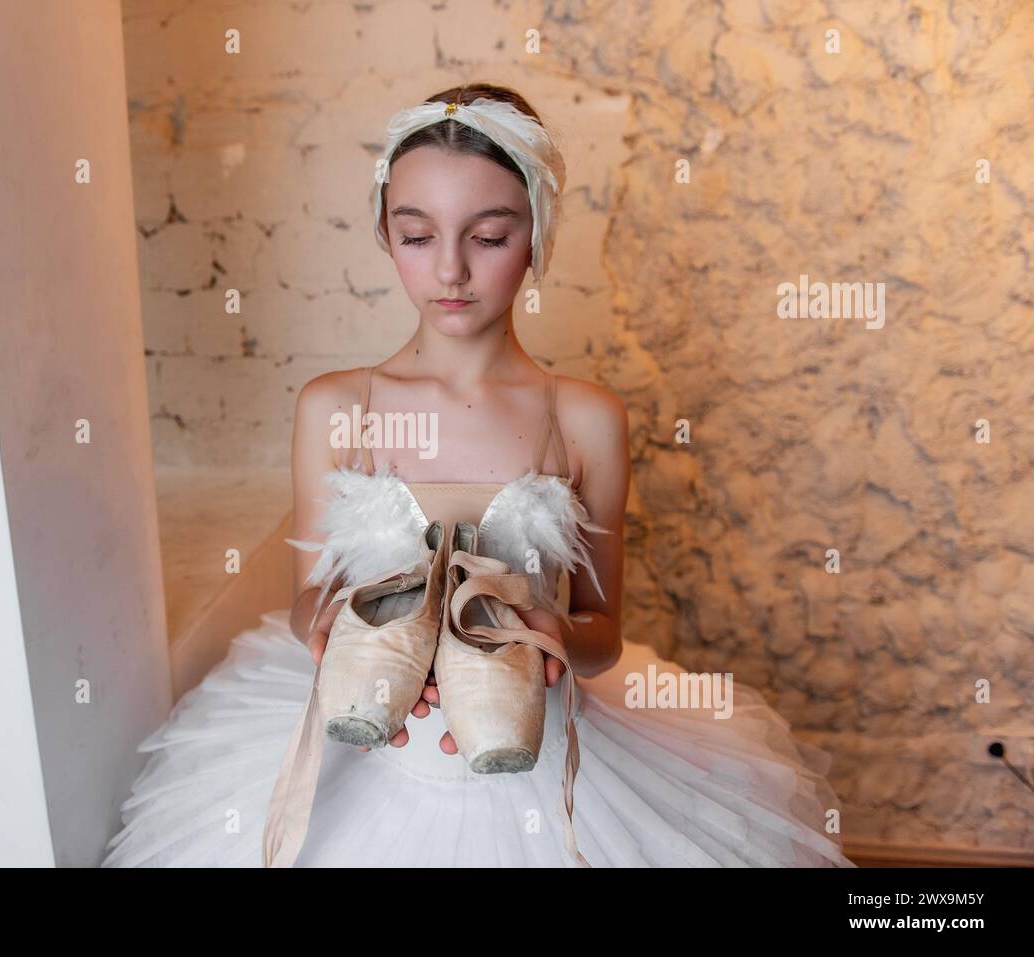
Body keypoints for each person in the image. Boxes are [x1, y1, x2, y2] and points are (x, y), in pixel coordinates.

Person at [103, 83, 855, 868]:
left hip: (535, 740)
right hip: (375, 751)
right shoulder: (336, 407)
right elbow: (306, 597)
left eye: (489, 237)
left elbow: (602, 627)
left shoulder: (585, 417)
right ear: (384, 234)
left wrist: (555, 633)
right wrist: (340, 634)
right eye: (417, 235)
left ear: (537, 236)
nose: (451, 270)